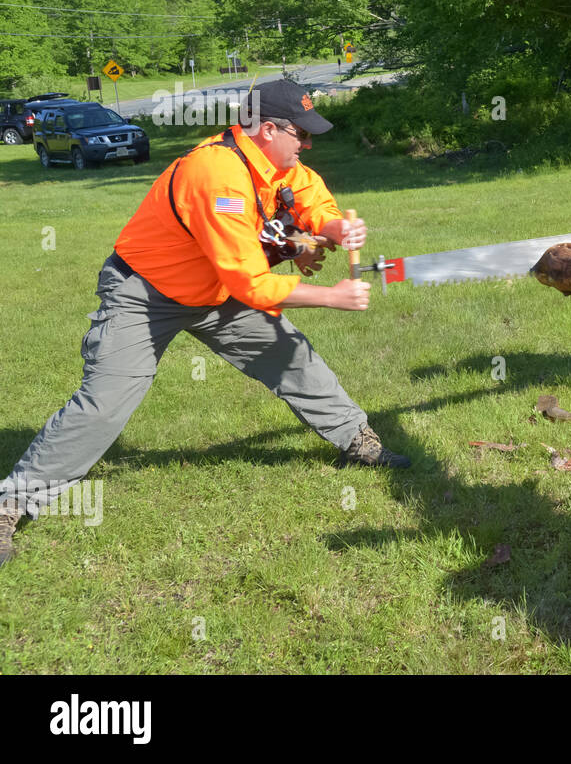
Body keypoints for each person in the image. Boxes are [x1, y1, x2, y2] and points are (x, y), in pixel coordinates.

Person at [0, 79, 409, 566]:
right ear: (267, 129)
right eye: (301, 134)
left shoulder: (277, 163)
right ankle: (13, 502)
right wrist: (332, 297)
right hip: (145, 293)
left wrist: (333, 224)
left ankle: (355, 441)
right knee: (105, 404)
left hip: (215, 290)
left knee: (289, 355)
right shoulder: (216, 177)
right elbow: (250, 284)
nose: (308, 144)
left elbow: (308, 197)